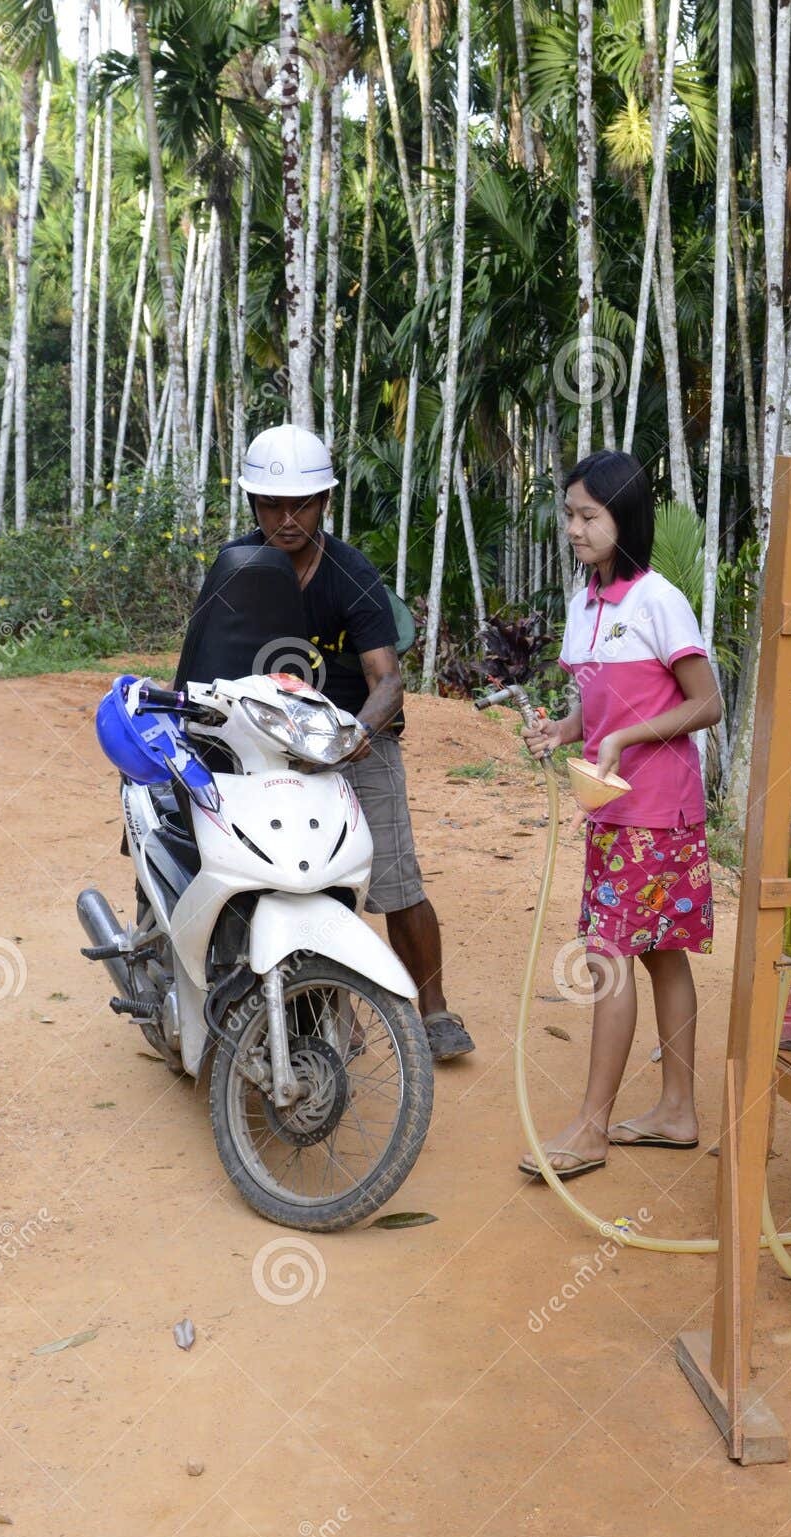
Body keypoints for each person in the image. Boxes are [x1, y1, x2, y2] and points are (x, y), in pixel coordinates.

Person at [231, 423, 474, 1062]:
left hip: (353, 741)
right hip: (270, 744)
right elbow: (210, 663)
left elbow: (387, 678)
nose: (287, 518)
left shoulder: (351, 574)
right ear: (253, 504)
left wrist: (359, 731)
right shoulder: (239, 568)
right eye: (272, 504)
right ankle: (325, 1005)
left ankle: (435, 1007)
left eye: (301, 504)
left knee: (394, 878)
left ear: (325, 504)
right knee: (285, 878)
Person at [518, 450, 722, 1180]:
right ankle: (675, 1110)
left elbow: (708, 703)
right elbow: (602, 702)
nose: (572, 528)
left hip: (656, 813)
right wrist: (566, 731)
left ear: (622, 518)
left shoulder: (658, 600)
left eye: (587, 516)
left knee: (608, 957)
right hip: (611, 808)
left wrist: (628, 740)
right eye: (569, 514)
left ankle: (593, 1127)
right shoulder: (586, 604)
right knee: (660, 951)